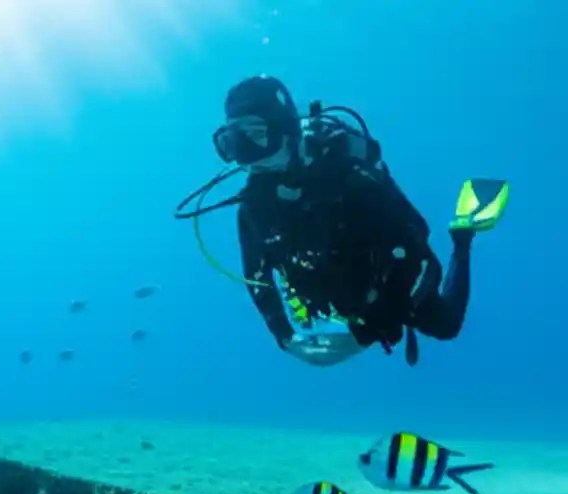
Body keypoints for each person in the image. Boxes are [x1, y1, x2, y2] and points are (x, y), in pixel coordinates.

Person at [174, 75, 509, 367]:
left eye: (257, 134)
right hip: (337, 295)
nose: (248, 154)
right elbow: (257, 274)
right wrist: (285, 336)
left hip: (386, 288)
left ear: (287, 131)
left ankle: (463, 237)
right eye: (232, 141)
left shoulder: (350, 181)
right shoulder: (253, 207)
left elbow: (422, 260)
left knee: (446, 327)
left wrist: (365, 334)